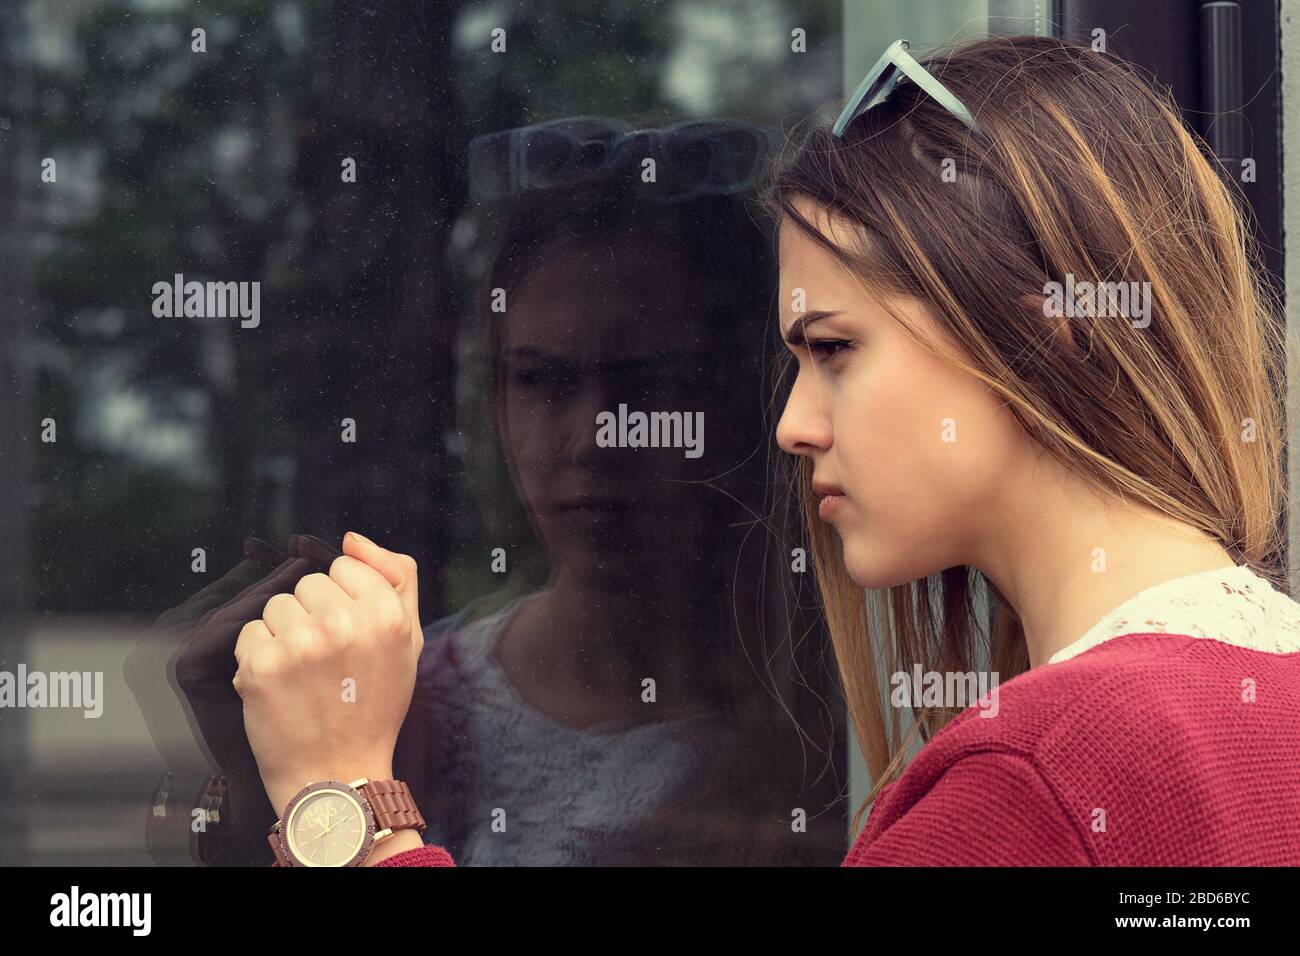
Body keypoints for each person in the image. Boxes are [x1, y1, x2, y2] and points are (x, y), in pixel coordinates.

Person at [233, 34, 1300, 867]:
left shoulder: (1037, 777)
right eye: (538, 377)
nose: (790, 424)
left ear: (1040, 327)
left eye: (835, 348)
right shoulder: (1256, 705)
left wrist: (345, 798)